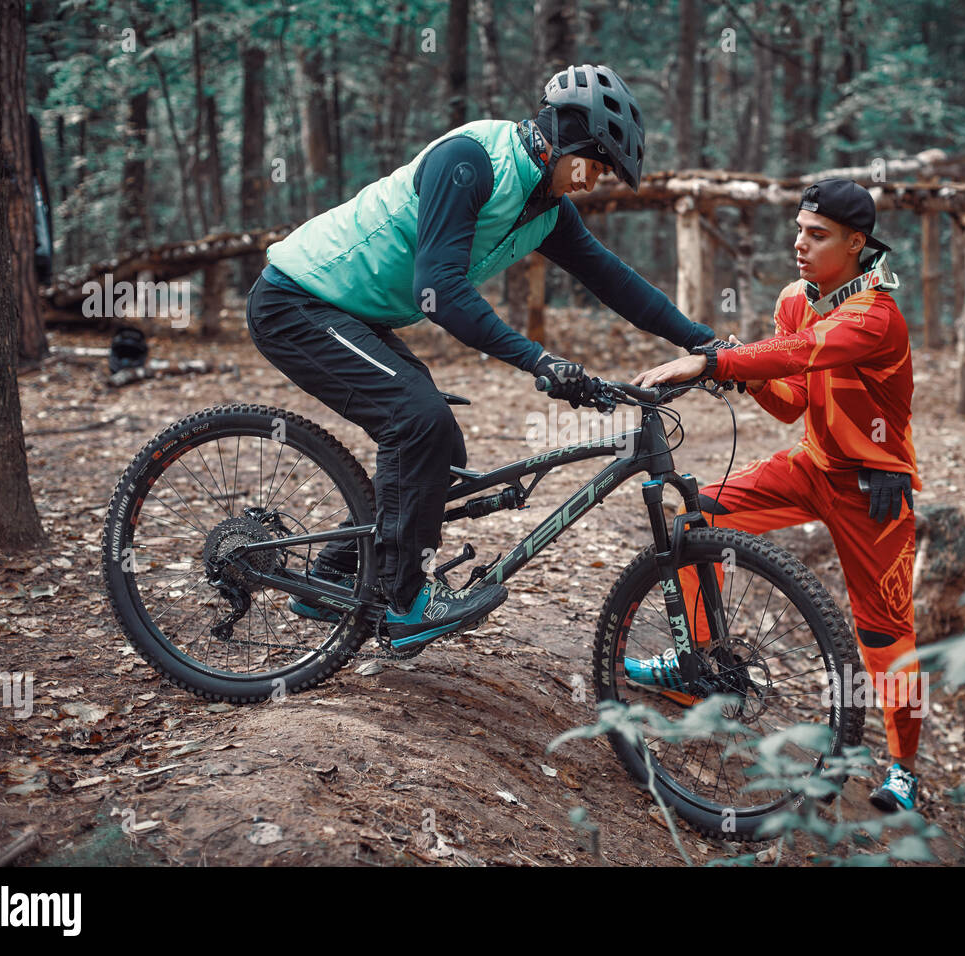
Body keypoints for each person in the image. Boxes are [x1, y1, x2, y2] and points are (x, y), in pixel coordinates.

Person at [246, 64, 722, 650]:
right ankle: (403, 601)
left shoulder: (544, 207)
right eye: (595, 165)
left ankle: (331, 576)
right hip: (298, 300)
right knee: (417, 420)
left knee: (439, 446)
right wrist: (538, 361)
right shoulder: (470, 160)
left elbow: (616, 283)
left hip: (353, 311)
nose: (596, 181)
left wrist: (703, 341)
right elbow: (439, 290)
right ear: (566, 140)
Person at [630, 179, 925, 812]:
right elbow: (792, 402)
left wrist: (715, 363)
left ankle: (903, 770)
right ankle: (692, 664)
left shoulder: (876, 315)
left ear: (856, 243)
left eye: (817, 236)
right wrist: (745, 374)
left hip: (874, 491)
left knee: (884, 633)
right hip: (810, 465)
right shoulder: (796, 298)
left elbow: (809, 349)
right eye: (798, 230)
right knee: (698, 513)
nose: (799, 244)